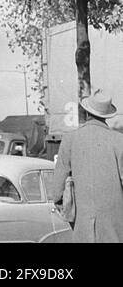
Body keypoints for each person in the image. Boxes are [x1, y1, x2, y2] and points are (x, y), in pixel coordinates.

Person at [47, 88, 123, 243]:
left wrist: (68, 210)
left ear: (87, 112)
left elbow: (57, 191)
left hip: (82, 222)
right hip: (115, 224)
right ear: (107, 116)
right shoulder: (119, 140)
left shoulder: (70, 139)